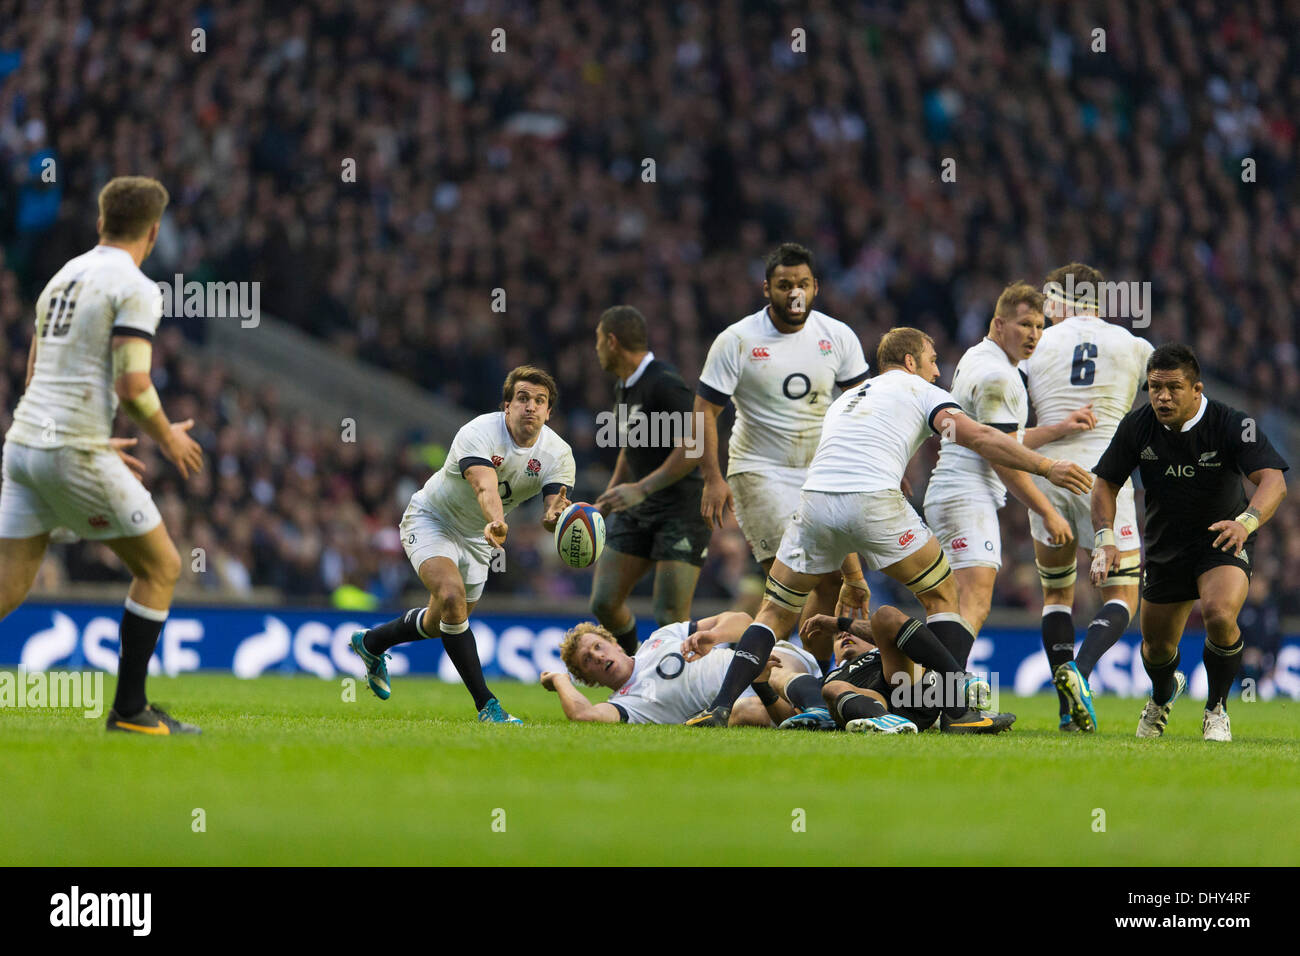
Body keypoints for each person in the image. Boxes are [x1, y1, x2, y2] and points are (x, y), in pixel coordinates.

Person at [682, 326, 1093, 727]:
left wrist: (853, 576)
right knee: (941, 592)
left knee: (772, 611)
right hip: (874, 500)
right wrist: (1047, 466)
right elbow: (982, 437)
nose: (937, 372)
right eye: (932, 362)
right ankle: (955, 711)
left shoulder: (844, 402)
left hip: (814, 503)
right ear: (911, 361)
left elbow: (839, 491)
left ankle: (718, 707)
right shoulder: (921, 390)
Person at [0, 176, 205, 735]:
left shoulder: (60, 277)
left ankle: (132, 711)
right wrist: (167, 436)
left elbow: (35, 373)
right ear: (155, 232)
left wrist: (82, 430)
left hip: (23, 446)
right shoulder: (136, 286)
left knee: (8, 586)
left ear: (100, 221)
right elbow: (133, 384)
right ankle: (131, 712)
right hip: (70, 448)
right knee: (161, 566)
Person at [351, 366, 575, 723]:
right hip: (433, 520)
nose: (530, 407)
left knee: (442, 620)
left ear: (549, 413)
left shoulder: (559, 454)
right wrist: (498, 521)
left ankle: (372, 643)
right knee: (452, 598)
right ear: (507, 405)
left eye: (540, 401)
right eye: (522, 398)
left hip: (478, 538)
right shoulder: (478, 432)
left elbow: (552, 508)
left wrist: (554, 518)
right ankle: (488, 706)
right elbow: (484, 486)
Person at [1090, 344, 1288, 742]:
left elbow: (1273, 480)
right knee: (1156, 650)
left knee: (1218, 614)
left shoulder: (1231, 423)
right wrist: (1105, 538)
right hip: (1165, 548)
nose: (1162, 396)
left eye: (1173, 388)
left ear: (1197, 389)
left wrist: (1246, 523)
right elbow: (1106, 483)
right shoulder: (1137, 426)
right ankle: (1163, 694)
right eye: (1154, 387)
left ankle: (1217, 708)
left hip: (1222, 542)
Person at [694, 242, 871, 664]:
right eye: (784, 284)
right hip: (759, 470)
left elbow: (865, 406)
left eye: (803, 284)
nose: (795, 293)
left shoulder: (837, 336)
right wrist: (713, 478)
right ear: (766, 289)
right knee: (793, 578)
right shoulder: (737, 340)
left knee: (830, 582)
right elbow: (703, 412)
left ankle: (805, 675)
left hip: (820, 473)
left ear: (816, 288)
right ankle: (748, 678)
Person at [923, 282, 1096, 638]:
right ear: (999, 324)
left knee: (951, 607)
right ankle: (945, 689)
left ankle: (931, 685)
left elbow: (1001, 439)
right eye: (1024, 325)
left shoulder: (980, 357)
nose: (1034, 334)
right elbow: (999, 455)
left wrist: (1057, 429)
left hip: (952, 494)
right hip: (966, 496)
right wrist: (1047, 511)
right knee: (975, 602)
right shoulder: (998, 377)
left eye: (1039, 326)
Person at [1023, 262, 1153, 731]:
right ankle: (1081, 669)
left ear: (1060, 299)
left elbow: (1013, 423)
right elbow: (1162, 399)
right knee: (1121, 593)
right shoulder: (1134, 345)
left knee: (1057, 594)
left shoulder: (1034, 345)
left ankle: (1066, 710)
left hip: (1048, 475)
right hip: (1107, 476)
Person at [589, 305, 711, 654]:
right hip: (639, 507)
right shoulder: (623, 387)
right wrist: (609, 498)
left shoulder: (664, 382)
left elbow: (695, 445)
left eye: (598, 340)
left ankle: (688, 688)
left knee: (670, 615)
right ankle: (633, 671)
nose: (595, 348)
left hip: (681, 511)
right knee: (604, 602)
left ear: (612, 341)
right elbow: (629, 450)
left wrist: (642, 488)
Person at [541, 611, 821, 726]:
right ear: (587, 679)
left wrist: (715, 636)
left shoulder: (660, 638)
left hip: (769, 661)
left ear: (613, 643)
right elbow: (583, 714)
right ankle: (822, 711)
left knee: (770, 666)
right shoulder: (627, 705)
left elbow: (744, 621)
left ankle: (815, 705)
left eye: (597, 646)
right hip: (755, 704)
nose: (597, 657)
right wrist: (559, 679)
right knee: (744, 710)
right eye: (587, 661)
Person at [799, 608, 1017, 734]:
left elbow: (882, 627)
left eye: (848, 633)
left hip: (906, 686)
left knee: (884, 615)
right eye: (838, 638)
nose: (844, 636)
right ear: (835, 657)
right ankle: (888, 723)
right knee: (833, 688)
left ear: (872, 642)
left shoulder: (879, 652)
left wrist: (840, 623)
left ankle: (959, 684)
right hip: (880, 705)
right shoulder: (832, 676)